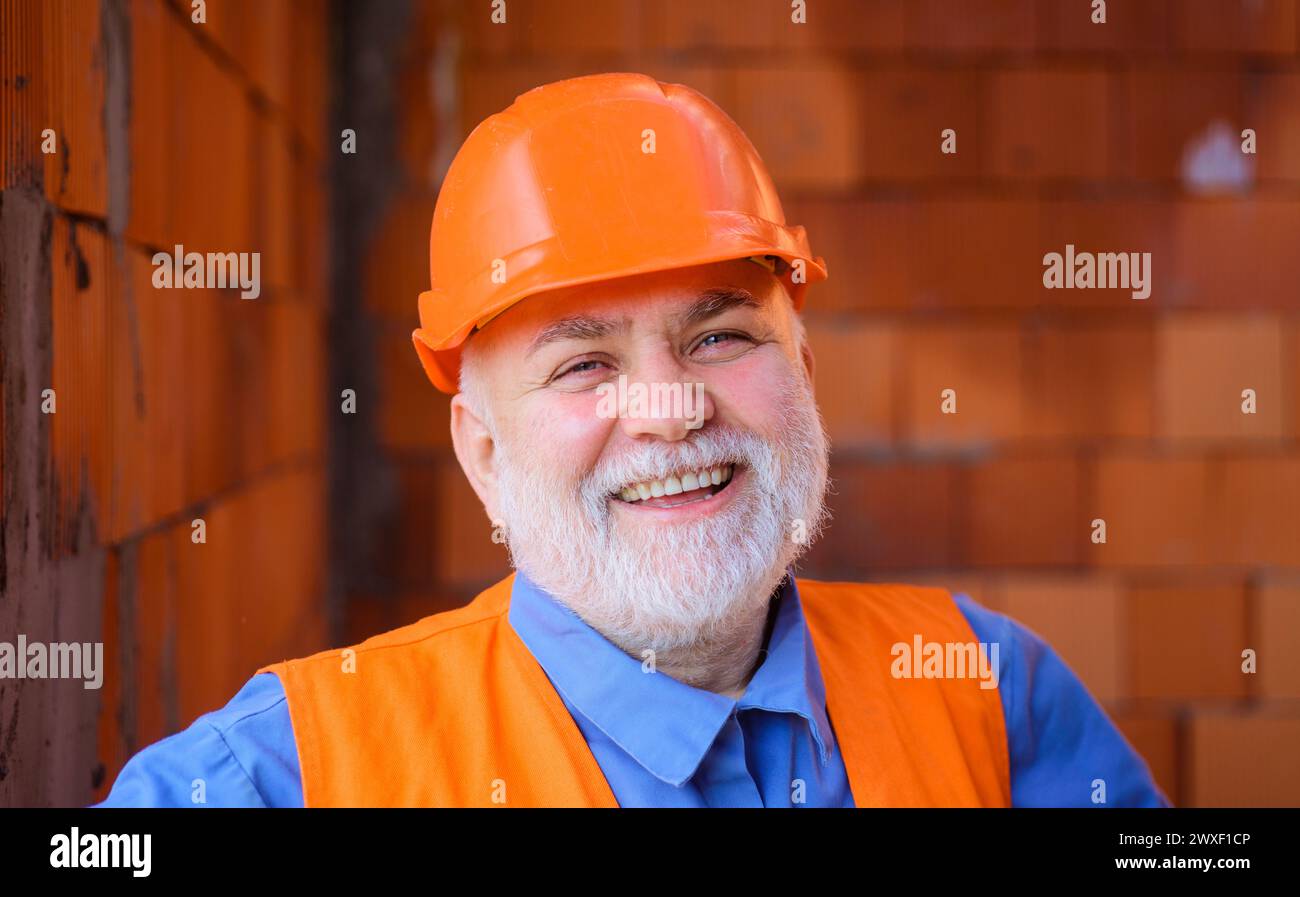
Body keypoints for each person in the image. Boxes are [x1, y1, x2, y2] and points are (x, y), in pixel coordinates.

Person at [98, 73, 1168, 808]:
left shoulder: (987, 694)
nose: (669, 409)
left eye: (718, 337)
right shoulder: (297, 771)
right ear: (481, 455)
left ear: (801, 378)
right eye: (583, 365)